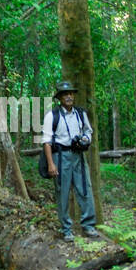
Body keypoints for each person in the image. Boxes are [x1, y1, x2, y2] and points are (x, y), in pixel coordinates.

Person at [42, 80, 99, 242]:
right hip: (60, 156)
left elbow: (88, 130)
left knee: (85, 189)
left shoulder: (80, 113)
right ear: (59, 97)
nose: (68, 96)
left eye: (70, 93)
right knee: (63, 192)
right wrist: (51, 164)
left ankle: (88, 225)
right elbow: (46, 141)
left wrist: (86, 139)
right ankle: (66, 228)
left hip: (78, 155)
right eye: (65, 94)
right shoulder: (52, 115)